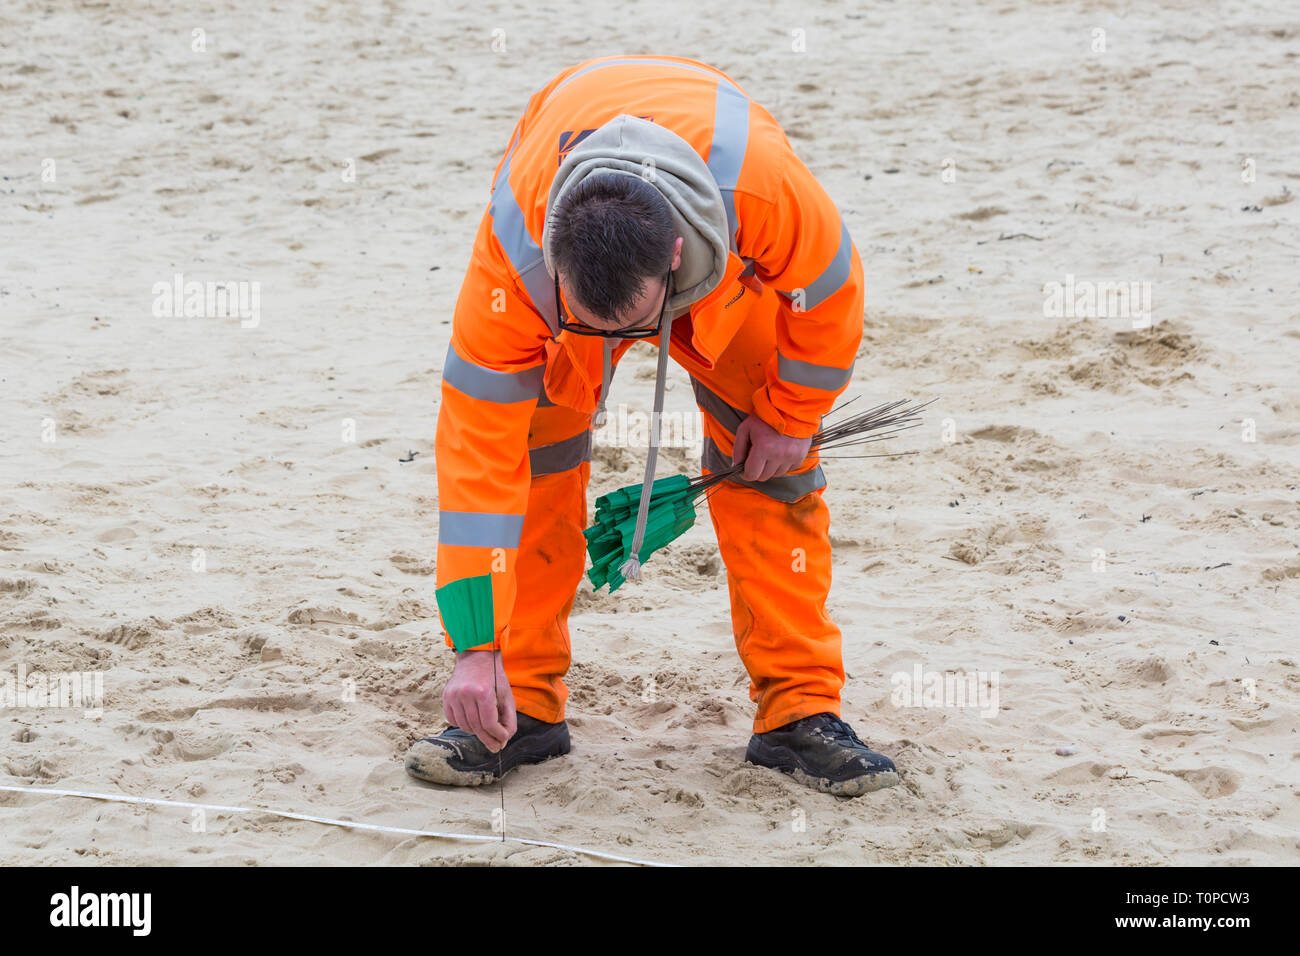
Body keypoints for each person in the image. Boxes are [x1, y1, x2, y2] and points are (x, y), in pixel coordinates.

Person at [405, 55, 898, 797]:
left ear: (674, 261)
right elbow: (479, 468)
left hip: (725, 278)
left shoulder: (761, 190)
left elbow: (828, 294)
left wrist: (789, 418)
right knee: (536, 461)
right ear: (554, 255)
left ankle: (800, 712)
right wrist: (474, 646)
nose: (616, 344)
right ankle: (523, 706)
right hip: (575, 285)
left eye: (629, 326)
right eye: (588, 322)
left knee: (774, 475)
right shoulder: (516, 264)